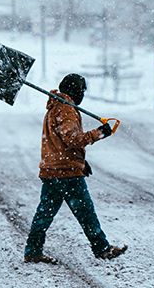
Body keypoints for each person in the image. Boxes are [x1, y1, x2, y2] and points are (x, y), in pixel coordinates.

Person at [23, 73, 126, 264]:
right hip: (66, 173)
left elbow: (59, 142)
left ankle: (33, 250)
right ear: (76, 91)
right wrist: (99, 133)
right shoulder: (66, 108)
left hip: (53, 169)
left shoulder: (55, 106)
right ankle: (102, 248)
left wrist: (79, 161)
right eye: (82, 91)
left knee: (44, 213)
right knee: (85, 211)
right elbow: (73, 139)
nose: (83, 95)